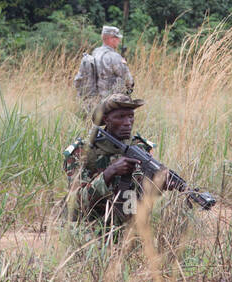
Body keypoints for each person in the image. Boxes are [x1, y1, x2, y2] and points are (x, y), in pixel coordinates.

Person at [62, 94, 166, 230]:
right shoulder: (83, 151)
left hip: (133, 229)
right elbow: (75, 202)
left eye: (130, 116)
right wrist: (109, 173)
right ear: (106, 119)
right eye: (120, 117)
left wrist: (160, 183)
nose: (127, 122)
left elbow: (148, 196)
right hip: (92, 228)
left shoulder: (141, 148)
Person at [74, 25, 134, 113]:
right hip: (109, 103)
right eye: (117, 38)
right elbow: (128, 80)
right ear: (111, 39)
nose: (119, 41)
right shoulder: (114, 57)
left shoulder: (95, 52)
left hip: (91, 100)